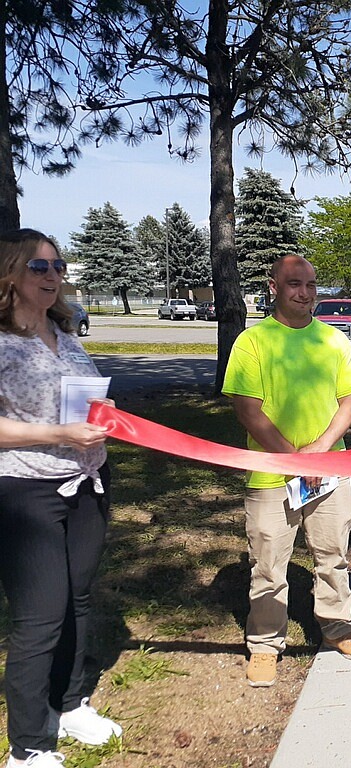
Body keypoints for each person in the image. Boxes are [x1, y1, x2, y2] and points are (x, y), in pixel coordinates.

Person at [0, 229, 123, 767]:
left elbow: (79, 403)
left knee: (78, 599)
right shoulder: (2, 343)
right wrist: (59, 435)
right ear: (10, 275)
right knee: (39, 617)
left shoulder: (64, 331)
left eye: (57, 265)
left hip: (87, 485)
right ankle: (28, 744)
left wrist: (102, 416)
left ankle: (69, 705)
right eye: (38, 267)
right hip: (26, 491)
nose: (52, 276)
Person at [223, 254, 351, 688]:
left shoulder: (334, 342)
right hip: (271, 476)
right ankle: (266, 644)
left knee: (333, 558)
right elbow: (248, 411)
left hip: (328, 473)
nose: (304, 293)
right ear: (274, 287)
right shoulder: (252, 342)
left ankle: (338, 626)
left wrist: (319, 453)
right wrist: (293, 459)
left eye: (310, 284)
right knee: (268, 565)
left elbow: (350, 403)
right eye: (293, 284)